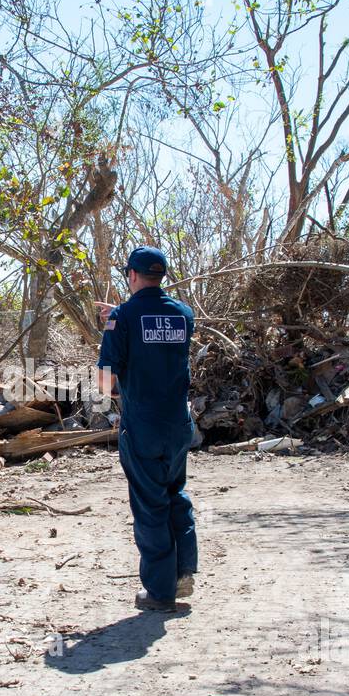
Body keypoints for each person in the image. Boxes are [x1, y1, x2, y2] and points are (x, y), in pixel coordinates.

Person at [96, 246, 198, 612]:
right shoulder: (184, 314)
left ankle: (159, 592)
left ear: (132, 276)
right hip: (178, 423)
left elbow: (105, 383)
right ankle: (183, 571)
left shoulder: (122, 318)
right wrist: (120, 319)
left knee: (149, 505)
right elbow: (156, 331)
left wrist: (114, 326)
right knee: (176, 495)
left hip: (143, 425)